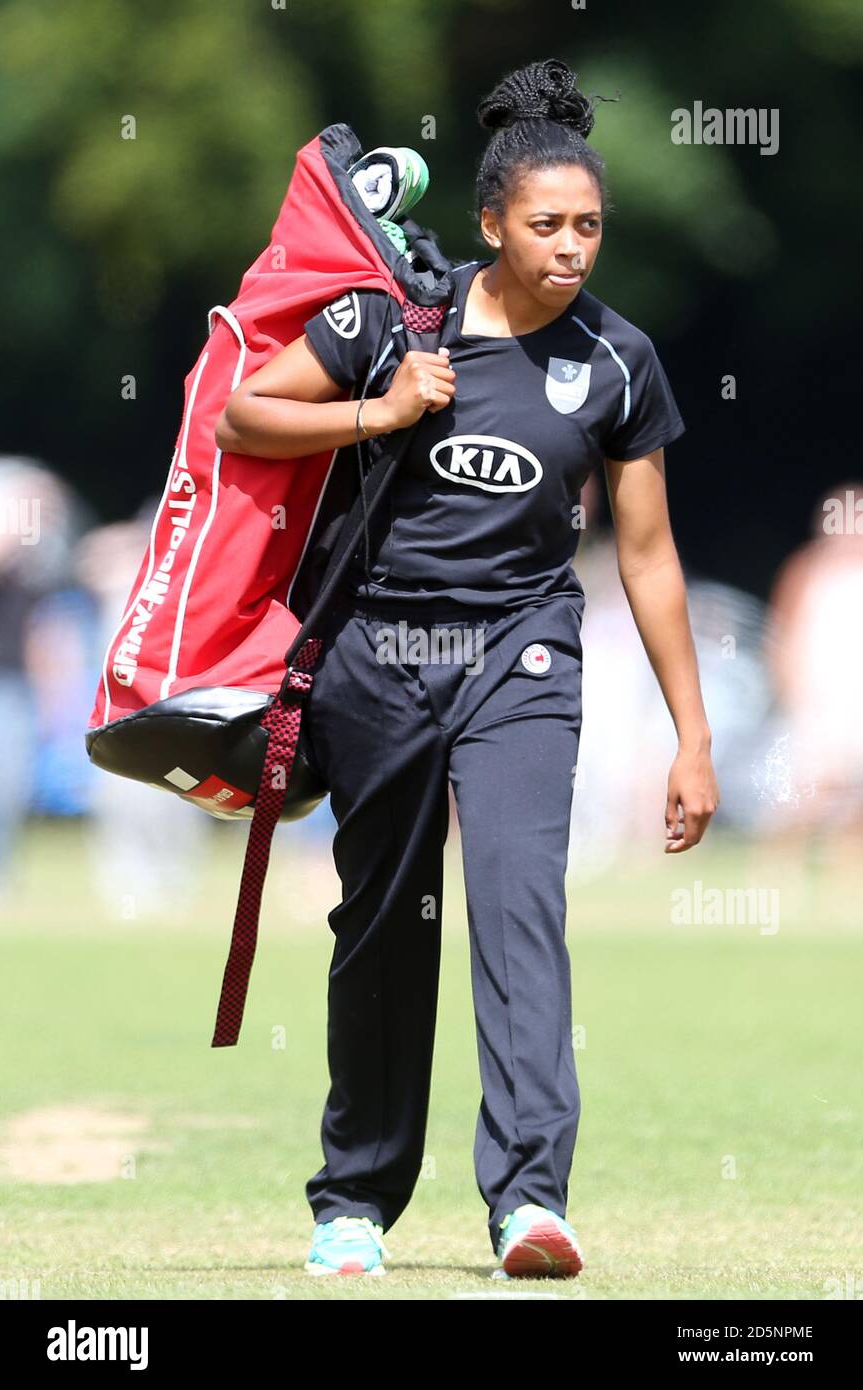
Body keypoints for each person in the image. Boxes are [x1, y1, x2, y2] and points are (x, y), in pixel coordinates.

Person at [215, 57, 720, 1280]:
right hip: (379, 654)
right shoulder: (393, 318)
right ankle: (352, 1201)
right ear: (490, 223)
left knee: (516, 905)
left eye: (587, 226)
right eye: (544, 226)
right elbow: (244, 414)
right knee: (384, 920)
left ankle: (529, 1201)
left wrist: (691, 737)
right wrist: (378, 414)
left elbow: (646, 560)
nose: (569, 248)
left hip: (522, 652)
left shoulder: (618, 362)